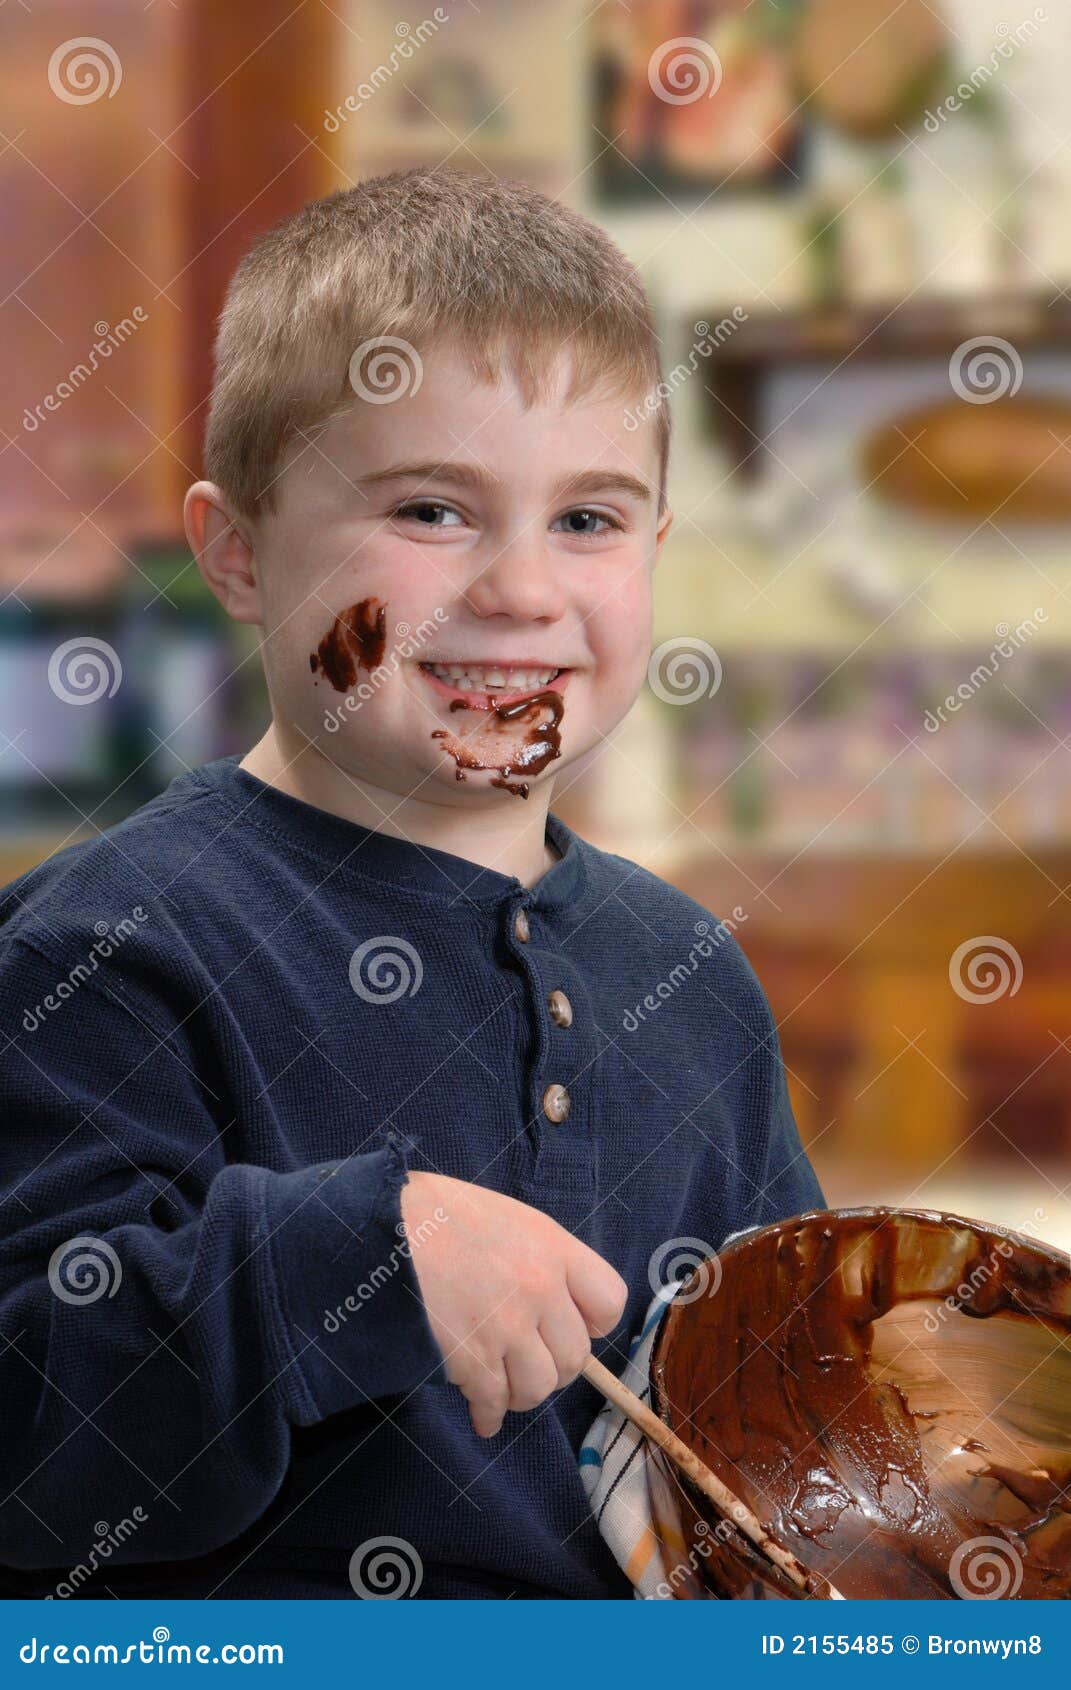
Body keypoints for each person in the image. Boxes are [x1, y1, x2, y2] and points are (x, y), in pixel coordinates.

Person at [0, 167, 823, 1600]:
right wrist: (351, 1259)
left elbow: (792, 1429)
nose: (521, 587)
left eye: (589, 519)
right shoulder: (107, 947)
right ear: (239, 552)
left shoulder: (695, 974)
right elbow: (29, 1449)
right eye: (435, 508)